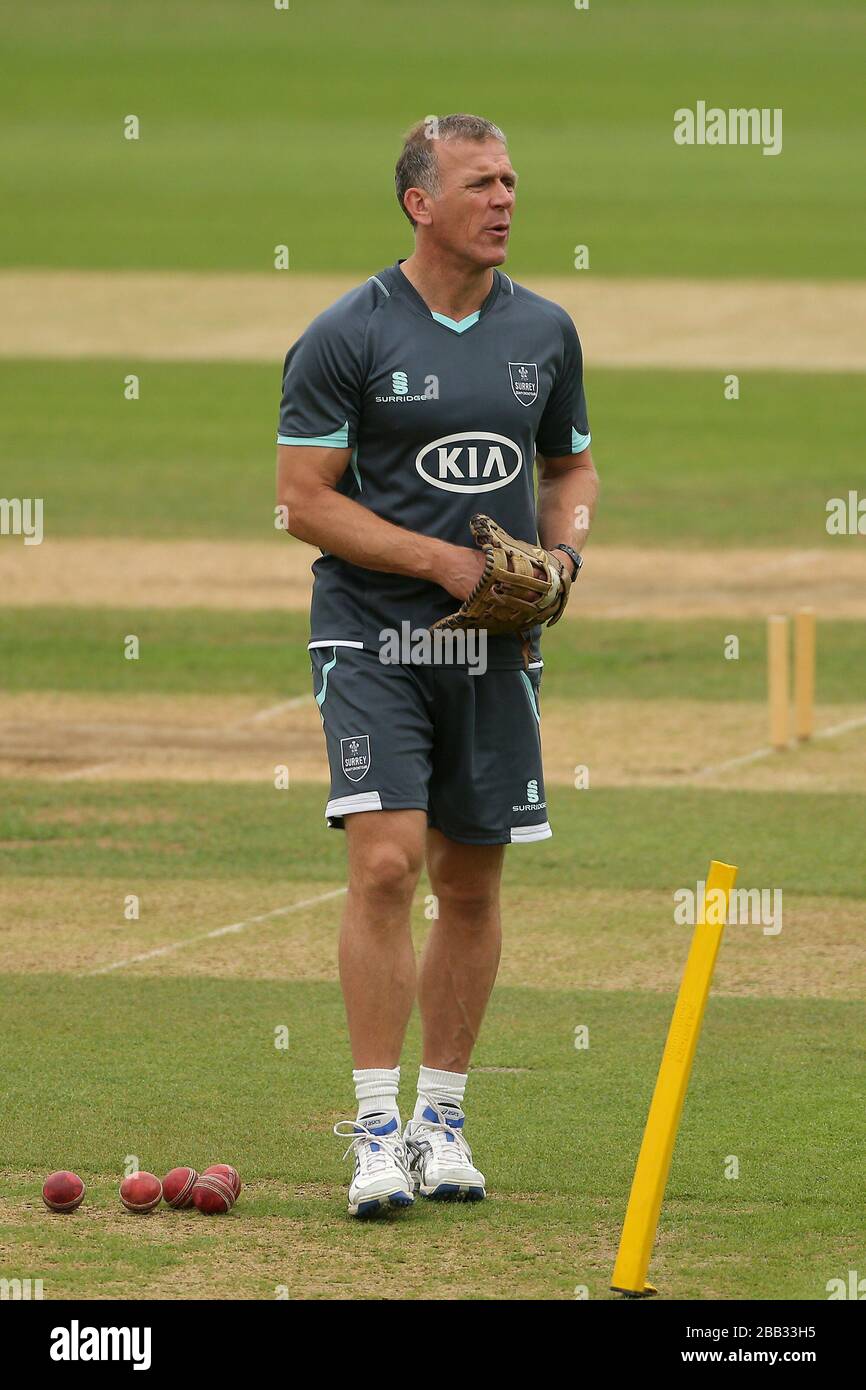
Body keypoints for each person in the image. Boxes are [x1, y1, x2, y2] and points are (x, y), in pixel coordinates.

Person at [276, 114, 598, 1217]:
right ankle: (371, 1131)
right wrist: (442, 565)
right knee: (383, 866)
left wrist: (562, 552)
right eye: (479, 182)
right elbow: (301, 500)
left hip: (494, 649)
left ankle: (440, 1122)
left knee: (470, 881)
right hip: (372, 635)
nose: (504, 197)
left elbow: (571, 466)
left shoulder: (545, 332)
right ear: (420, 202)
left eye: (510, 177)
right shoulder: (345, 333)